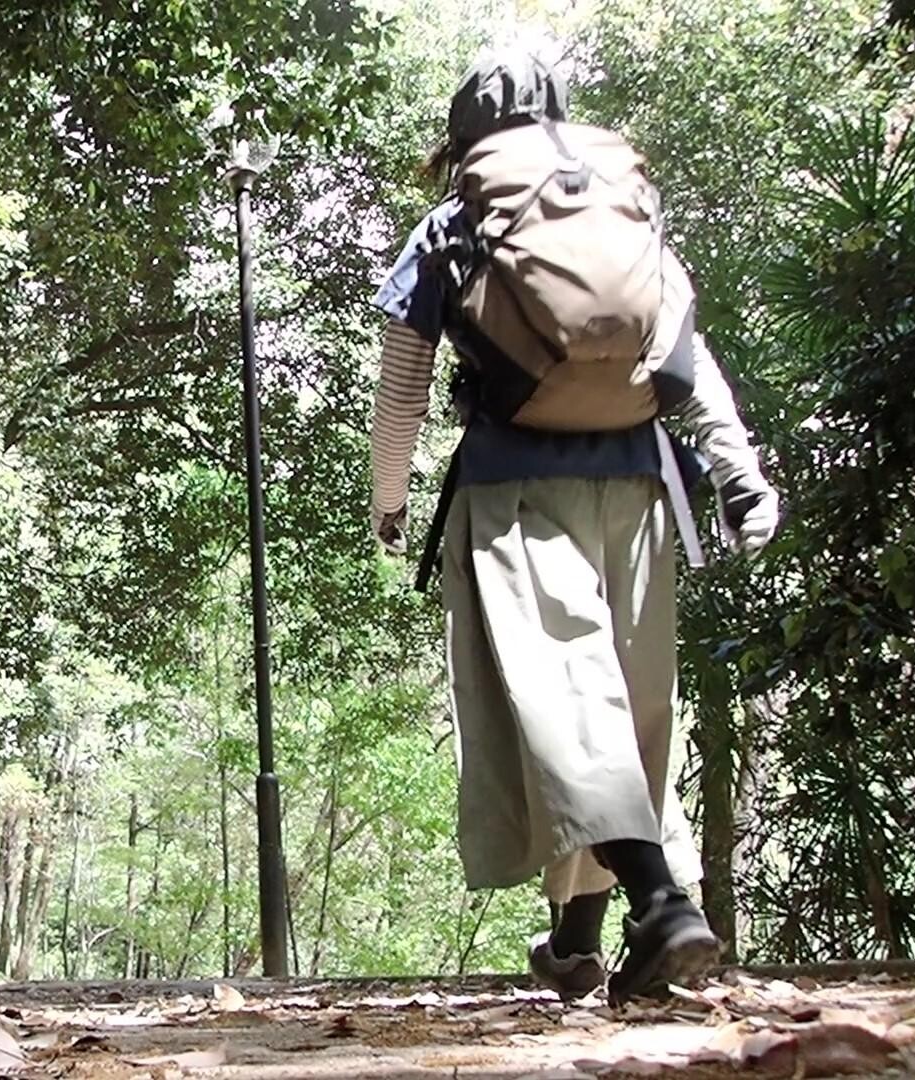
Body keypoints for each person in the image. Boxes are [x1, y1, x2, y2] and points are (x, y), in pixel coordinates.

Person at [367, 48, 780, 1003]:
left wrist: (391, 500)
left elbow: (403, 386)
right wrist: (736, 469)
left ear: (466, 136)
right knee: (629, 719)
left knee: (563, 706)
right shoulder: (626, 217)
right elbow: (686, 349)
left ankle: (660, 902)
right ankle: (581, 944)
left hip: (516, 488)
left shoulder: (452, 226)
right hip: (638, 484)